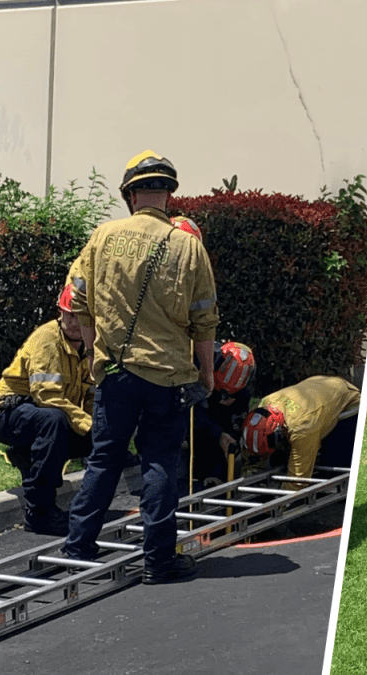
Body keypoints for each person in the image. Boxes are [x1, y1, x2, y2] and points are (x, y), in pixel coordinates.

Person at [62, 150, 219, 585]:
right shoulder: (189, 246)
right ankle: (158, 562)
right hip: (167, 378)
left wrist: (96, 355)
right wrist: (205, 374)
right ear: (168, 195)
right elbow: (204, 319)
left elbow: (77, 301)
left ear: (131, 194)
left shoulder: (102, 236)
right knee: (160, 463)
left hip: (115, 374)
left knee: (104, 460)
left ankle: (78, 547)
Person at [0, 284, 93, 536]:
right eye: (70, 314)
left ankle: (26, 454)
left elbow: (90, 393)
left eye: (82, 316)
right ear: (60, 312)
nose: (75, 322)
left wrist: (101, 427)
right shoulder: (47, 340)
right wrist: (88, 424)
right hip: (6, 412)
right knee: (53, 421)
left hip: (41, 413)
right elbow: (47, 397)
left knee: (93, 435)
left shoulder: (88, 345)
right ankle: (39, 511)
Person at [240, 375, 363, 489]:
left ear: (280, 431)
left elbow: (298, 480)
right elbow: (252, 448)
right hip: (316, 387)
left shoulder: (303, 427)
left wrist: (277, 506)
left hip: (345, 400)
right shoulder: (259, 409)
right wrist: (250, 471)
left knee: (332, 470)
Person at [186, 341, 256, 488]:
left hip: (219, 409)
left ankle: (216, 476)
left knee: (226, 436)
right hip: (195, 400)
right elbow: (191, 413)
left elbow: (236, 424)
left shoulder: (242, 383)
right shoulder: (197, 361)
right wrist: (217, 433)